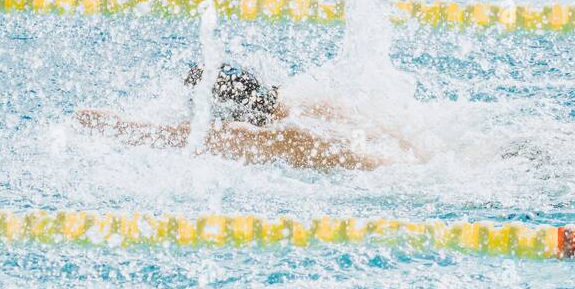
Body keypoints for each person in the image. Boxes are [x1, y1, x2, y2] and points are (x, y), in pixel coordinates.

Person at [75, 64, 391, 171]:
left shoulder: (275, 136)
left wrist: (114, 124)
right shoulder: (312, 102)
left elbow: (180, 137)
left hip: (389, 177)